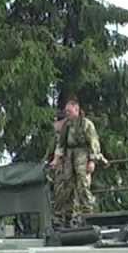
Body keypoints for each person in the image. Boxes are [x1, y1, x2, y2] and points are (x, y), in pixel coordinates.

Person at [49, 97, 106, 228]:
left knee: (82, 184)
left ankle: (87, 213)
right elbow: (61, 144)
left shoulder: (86, 124)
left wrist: (92, 161)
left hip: (82, 155)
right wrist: (56, 159)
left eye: (69, 111)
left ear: (76, 109)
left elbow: (94, 143)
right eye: (66, 112)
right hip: (69, 156)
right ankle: (66, 215)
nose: (67, 114)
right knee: (66, 185)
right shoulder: (66, 126)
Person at [47, 111, 73, 229]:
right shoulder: (56, 137)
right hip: (59, 170)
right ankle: (59, 219)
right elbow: (50, 152)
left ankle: (68, 218)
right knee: (59, 193)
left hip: (68, 167)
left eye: (56, 121)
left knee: (69, 193)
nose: (54, 125)